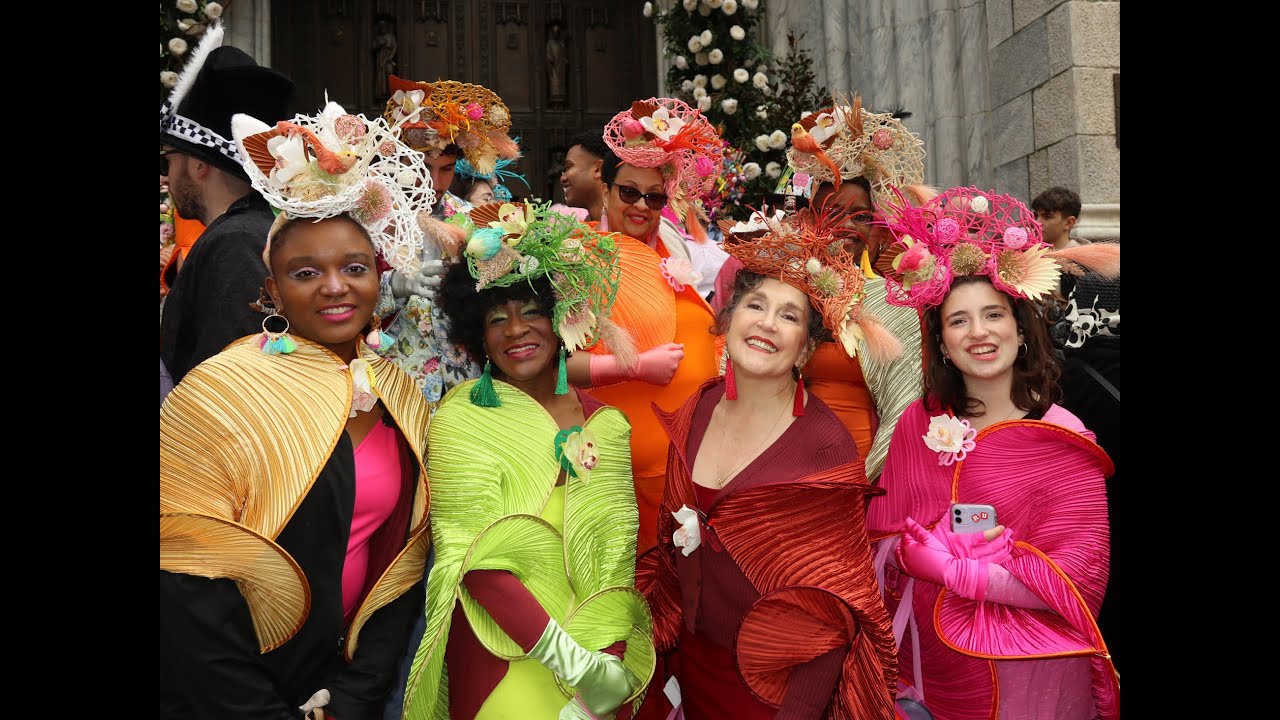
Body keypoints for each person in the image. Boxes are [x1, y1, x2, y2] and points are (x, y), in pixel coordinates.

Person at [161, 100, 436, 718]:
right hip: (227, 692)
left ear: (378, 278)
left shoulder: (399, 393)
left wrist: (356, 693)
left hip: (339, 687)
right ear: (272, 290)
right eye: (306, 271)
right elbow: (184, 582)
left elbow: (403, 561)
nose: (335, 286)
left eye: (355, 268)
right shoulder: (218, 391)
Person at [867, 186, 1120, 719]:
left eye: (994, 315)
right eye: (958, 321)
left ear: (1020, 330)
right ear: (940, 342)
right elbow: (881, 533)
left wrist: (962, 574)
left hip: (1035, 677)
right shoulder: (921, 421)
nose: (978, 333)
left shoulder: (1064, 434)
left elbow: (1080, 580)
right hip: (936, 673)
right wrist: (912, 553)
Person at [636, 211, 899, 719]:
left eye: (790, 315)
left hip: (773, 692)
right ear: (729, 318)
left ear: (806, 347)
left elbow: (834, 613)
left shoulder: (824, 447)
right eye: (756, 304)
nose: (767, 324)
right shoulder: (698, 408)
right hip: (692, 668)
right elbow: (672, 557)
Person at [400, 202, 652, 720]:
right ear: (478, 336)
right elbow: (475, 560)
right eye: (497, 318)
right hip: (503, 659)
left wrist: (603, 674)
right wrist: (574, 664)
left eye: (531, 311)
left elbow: (617, 560)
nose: (515, 330)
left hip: (599, 668)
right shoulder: (461, 415)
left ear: (562, 316)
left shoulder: (608, 425)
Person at [566, 97, 725, 555]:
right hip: (611, 482)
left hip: (683, 486)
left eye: (654, 196)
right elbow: (551, 365)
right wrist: (632, 365)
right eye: (629, 192)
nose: (641, 206)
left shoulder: (670, 260)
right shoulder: (575, 255)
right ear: (605, 184)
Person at [778, 96, 936, 481]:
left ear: (876, 230)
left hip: (865, 476)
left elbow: (904, 407)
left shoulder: (893, 303)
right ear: (807, 219)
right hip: (778, 475)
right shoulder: (775, 293)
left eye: (861, 216)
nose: (848, 227)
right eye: (833, 213)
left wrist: (866, 480)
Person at [374, 76, 524, 411]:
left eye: (446, 169)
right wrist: (393, 287)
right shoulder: (371, 218)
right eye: (423, 168)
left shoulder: (475, 219)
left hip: (467, 392)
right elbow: (340, 299)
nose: (435, 182)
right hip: (392, 392)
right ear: (399, 160)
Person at [158, 21, 296, 384]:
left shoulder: (236, 243)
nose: (167, 176)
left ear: (198, 165)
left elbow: (233, 391)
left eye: (169, 158)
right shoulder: (248, 230)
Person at [559, 129, 609, 221]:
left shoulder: (622, 228)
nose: (562, 178)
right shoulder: (584, 227)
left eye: (568, 167)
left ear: (598, 170)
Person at [1030, 185, 1084, 250]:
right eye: (1035, 216)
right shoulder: (1022, 255)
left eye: (1047, 217)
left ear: (1069, 223)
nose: (1037, 222)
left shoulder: (1086, 258)